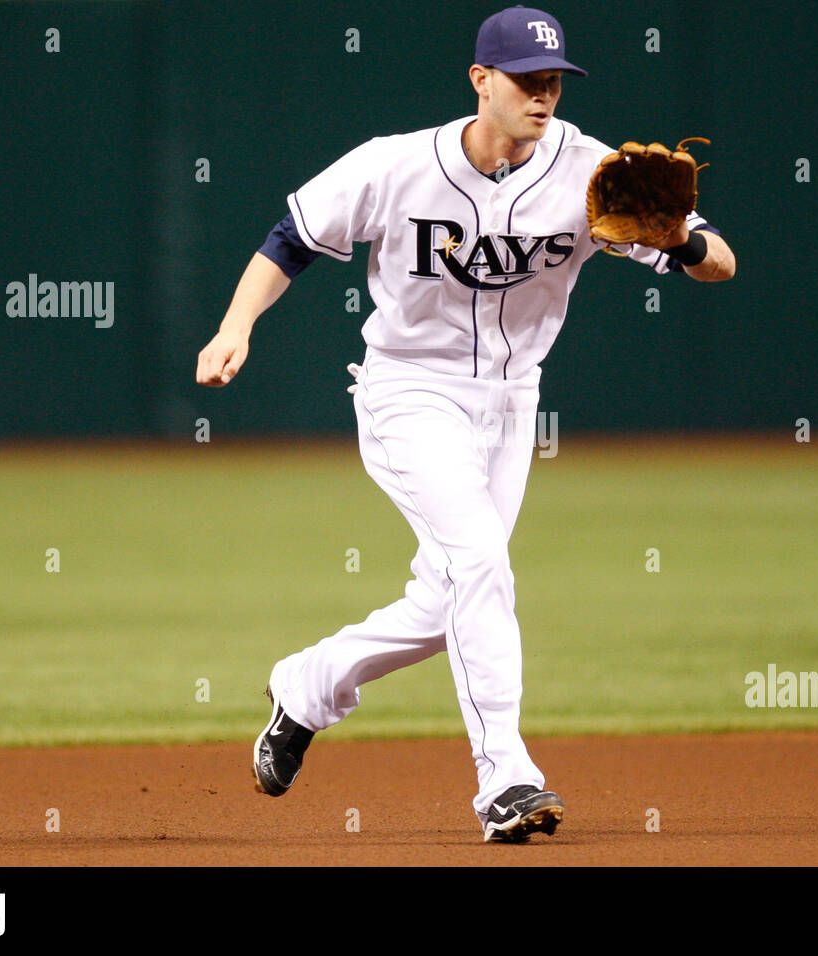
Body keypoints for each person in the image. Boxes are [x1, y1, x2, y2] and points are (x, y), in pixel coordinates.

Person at [195, 5, 735, 843]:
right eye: (526, 80)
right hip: (408, 391)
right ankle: (506, 782)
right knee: (481, 560)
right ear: (480, 80)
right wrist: (237, 327)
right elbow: (290, 239)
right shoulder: (396, 165)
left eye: (554, 81)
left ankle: (307, 686)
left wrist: (683, 242)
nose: (543, 95)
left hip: (514, 404)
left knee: (449, 594)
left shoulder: (592, 174)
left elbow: (720, 264)